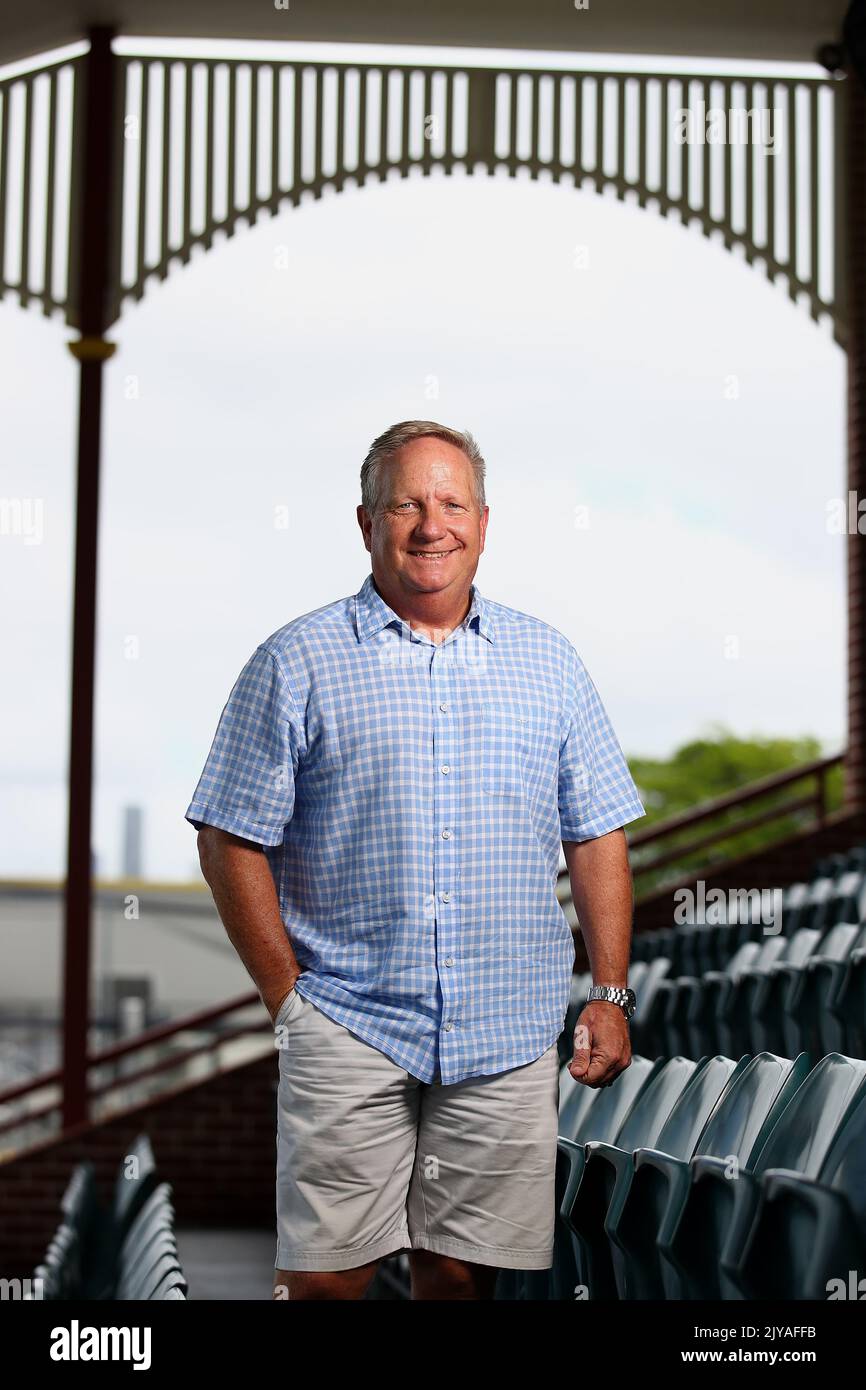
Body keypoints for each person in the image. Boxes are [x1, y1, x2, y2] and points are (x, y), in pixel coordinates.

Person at [185, 419, 645, 1300]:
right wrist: (290, 1000)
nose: (431, 524)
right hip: (349, 1021)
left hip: (508, 1032)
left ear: (483, 521)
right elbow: (229, 837)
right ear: (366, 523)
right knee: (323, 1284)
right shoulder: (296, 660)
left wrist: (611, 993)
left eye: (451, 503)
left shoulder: (549, 663)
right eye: (406, 503)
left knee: (459, 1280)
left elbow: (597, 833)